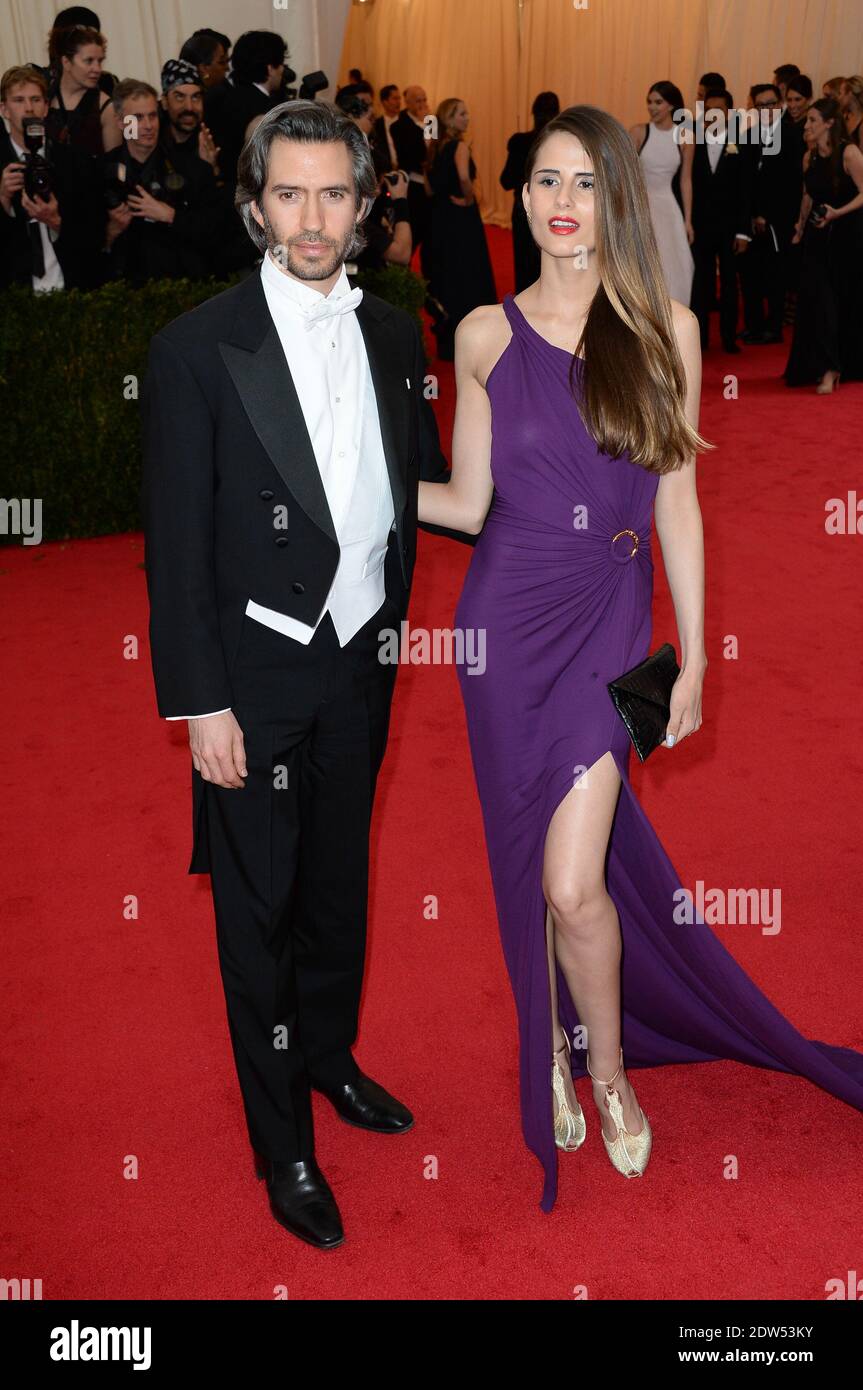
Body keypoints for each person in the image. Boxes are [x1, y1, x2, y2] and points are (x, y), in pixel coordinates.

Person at [416, 104, 863, 1212]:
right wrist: (341, 488)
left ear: (612, 197)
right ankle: (559, 1053)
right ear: (518, 198)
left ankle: (607, 1076)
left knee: (575, 884)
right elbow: (468, 506)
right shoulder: (480, 335)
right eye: (540, 183)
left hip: (609, 626)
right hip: (500, 628)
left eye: (579, 183)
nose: (558, 204)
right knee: (534, 869)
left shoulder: (664, 325)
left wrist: (695, 658)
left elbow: (677, 503)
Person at [140, 99, 454, 1250]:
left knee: (335, 889)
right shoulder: (194, 349)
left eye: (334, 195)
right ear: (255, 204)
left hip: (359, 662)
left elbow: (405, 495)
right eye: (290, 195)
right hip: (253, 683)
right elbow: (172, 547)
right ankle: (283, 1144)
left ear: (366, 208)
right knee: (256, 916)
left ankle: (329, 1060)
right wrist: (200, 701)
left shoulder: (392, 335)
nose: (312, 219)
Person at [101, 79, 222, 284]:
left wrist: (170, 215)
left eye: (152, 116)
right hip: (121, 288)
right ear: (121, 122)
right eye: (137, 118)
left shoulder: (193, 169)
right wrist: (110, 232)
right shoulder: (101, 171)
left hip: (181, 283)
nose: (148, 126)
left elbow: (215, 231)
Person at [0, 63, 104, 290]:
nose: (29, 108)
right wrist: (3, 201)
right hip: (14, 297)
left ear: (46, 107)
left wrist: (57, 222)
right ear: (4, 110)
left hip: (71, 289)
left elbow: (95, 235)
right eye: (19, 100)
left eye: (36, 100)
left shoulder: (76, 161)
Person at [784, 97, 863, 391]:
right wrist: (800, 226)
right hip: (817, 235)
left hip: (847, 236)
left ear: (829, 123)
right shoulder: (810, 156)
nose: (808, 125)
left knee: (837, 301)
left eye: (813, 120)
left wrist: (837, 213)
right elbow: (808, 195)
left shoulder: (849, 153)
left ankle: (834, 368)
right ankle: (821, 365)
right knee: (817, 301)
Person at [424, 97, 497, 360]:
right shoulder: (459, 146)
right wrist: (468, 198)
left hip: (439, 218)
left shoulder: (434, 146)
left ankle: (449, 342)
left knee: (448, 275)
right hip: (461, 218)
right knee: (469, 274)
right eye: (461, 114)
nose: (467, 117)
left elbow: (429, 187)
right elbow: (465, 178)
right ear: (448, 119)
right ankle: (475, 342)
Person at [689, 87, 753, 352]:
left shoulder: (742, 143)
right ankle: (699, 339)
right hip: (700, 226)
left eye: (720, 109)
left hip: (730, 228)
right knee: (700, 283)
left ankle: (728, 337)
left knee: (728, 284)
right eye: (708, 109)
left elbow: (747, 190)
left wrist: (743, 232)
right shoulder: (691, 141)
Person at [629, 80, 694, 305]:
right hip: (641, 207)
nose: (652, 107)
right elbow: (626, 175)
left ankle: (674, 324)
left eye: (658, 102)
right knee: (642, 267)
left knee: (679, 266)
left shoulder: (685, 136)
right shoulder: (638, 132)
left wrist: (687, 221)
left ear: (672, 106)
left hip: (668, 207)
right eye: (649, 102)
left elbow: (686, 181)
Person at [500, 90, 560, 292]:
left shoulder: (519, 141)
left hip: (523, 209)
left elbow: (505, 181)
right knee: (552, 264)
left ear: (533, 112)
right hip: (553, 210)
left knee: (524, 266)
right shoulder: (559, 144)